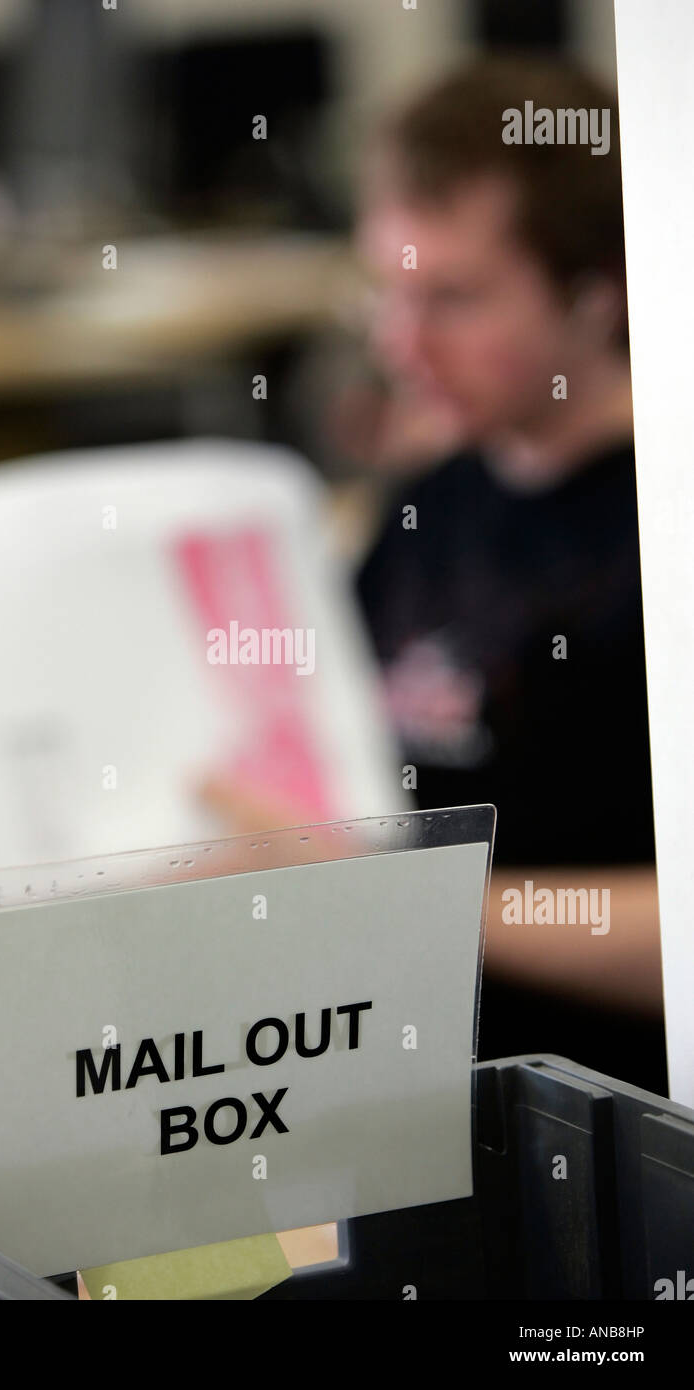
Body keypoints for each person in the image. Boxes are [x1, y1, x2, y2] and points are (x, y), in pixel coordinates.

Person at [351, 54, 664, 1091]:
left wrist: (407, 900)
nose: (402, 346)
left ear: (594, 295)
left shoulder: (659, 539)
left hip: (602, 1125)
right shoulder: (429, 502)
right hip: (410, 1087)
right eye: (385, 293)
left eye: (452, 299)